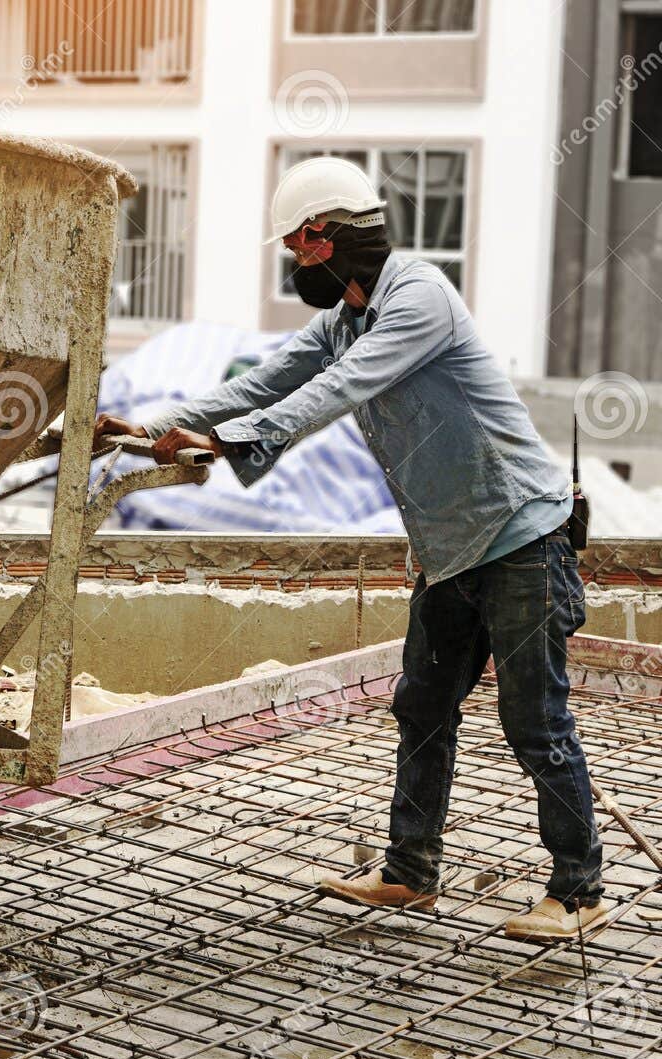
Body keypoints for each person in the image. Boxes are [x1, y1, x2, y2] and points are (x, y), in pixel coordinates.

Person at [94, 157, 607, 943]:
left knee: (534, 720)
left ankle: (577, 890)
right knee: (422, 709)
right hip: (451, 552)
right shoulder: (341, 323)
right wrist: (152, 425)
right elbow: (263, 382)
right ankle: (410, 870)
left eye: (299, 246)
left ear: (330, 237)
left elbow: (338, 389)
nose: (295, 262)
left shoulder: (419, 298)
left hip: (522, 538)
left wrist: (228, 441)